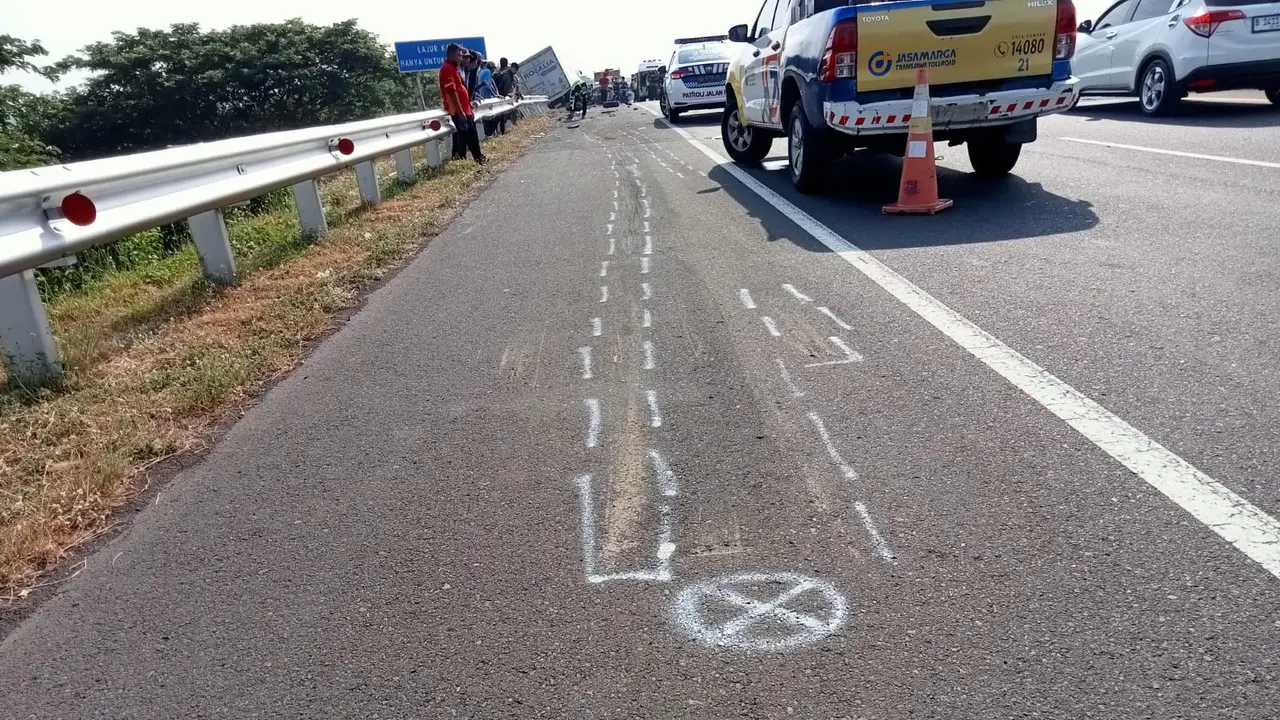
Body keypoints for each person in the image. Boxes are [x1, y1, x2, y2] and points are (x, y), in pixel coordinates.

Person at [439, 43, 485, 165]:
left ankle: (476, 158)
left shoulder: (454, 69)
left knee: (470, 136)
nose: (461, 58)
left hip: (465, 109)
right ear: (452, 55)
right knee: (468, 136)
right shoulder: (447, 69)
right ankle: (476, 159)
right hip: (459, 110)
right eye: (459, 56)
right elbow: (451, 92)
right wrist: (460, 112)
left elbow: (460, 90)